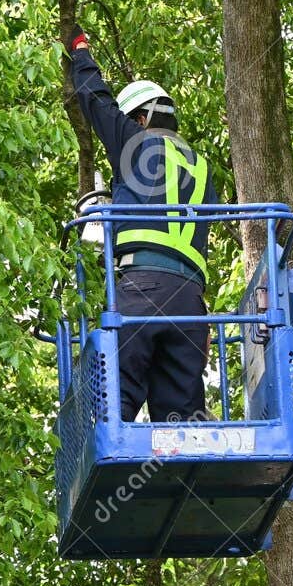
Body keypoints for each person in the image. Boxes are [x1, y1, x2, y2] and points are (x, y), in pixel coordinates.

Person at [64, 23, 216, 423]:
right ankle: (178, 483)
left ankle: (114, 480)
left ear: (142, 117)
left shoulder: (137, 142)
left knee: (116, 405)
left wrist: (81, 52)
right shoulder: (201, 168)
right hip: (190, 303)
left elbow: (95, 101)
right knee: (181, 420)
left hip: (143, 289)